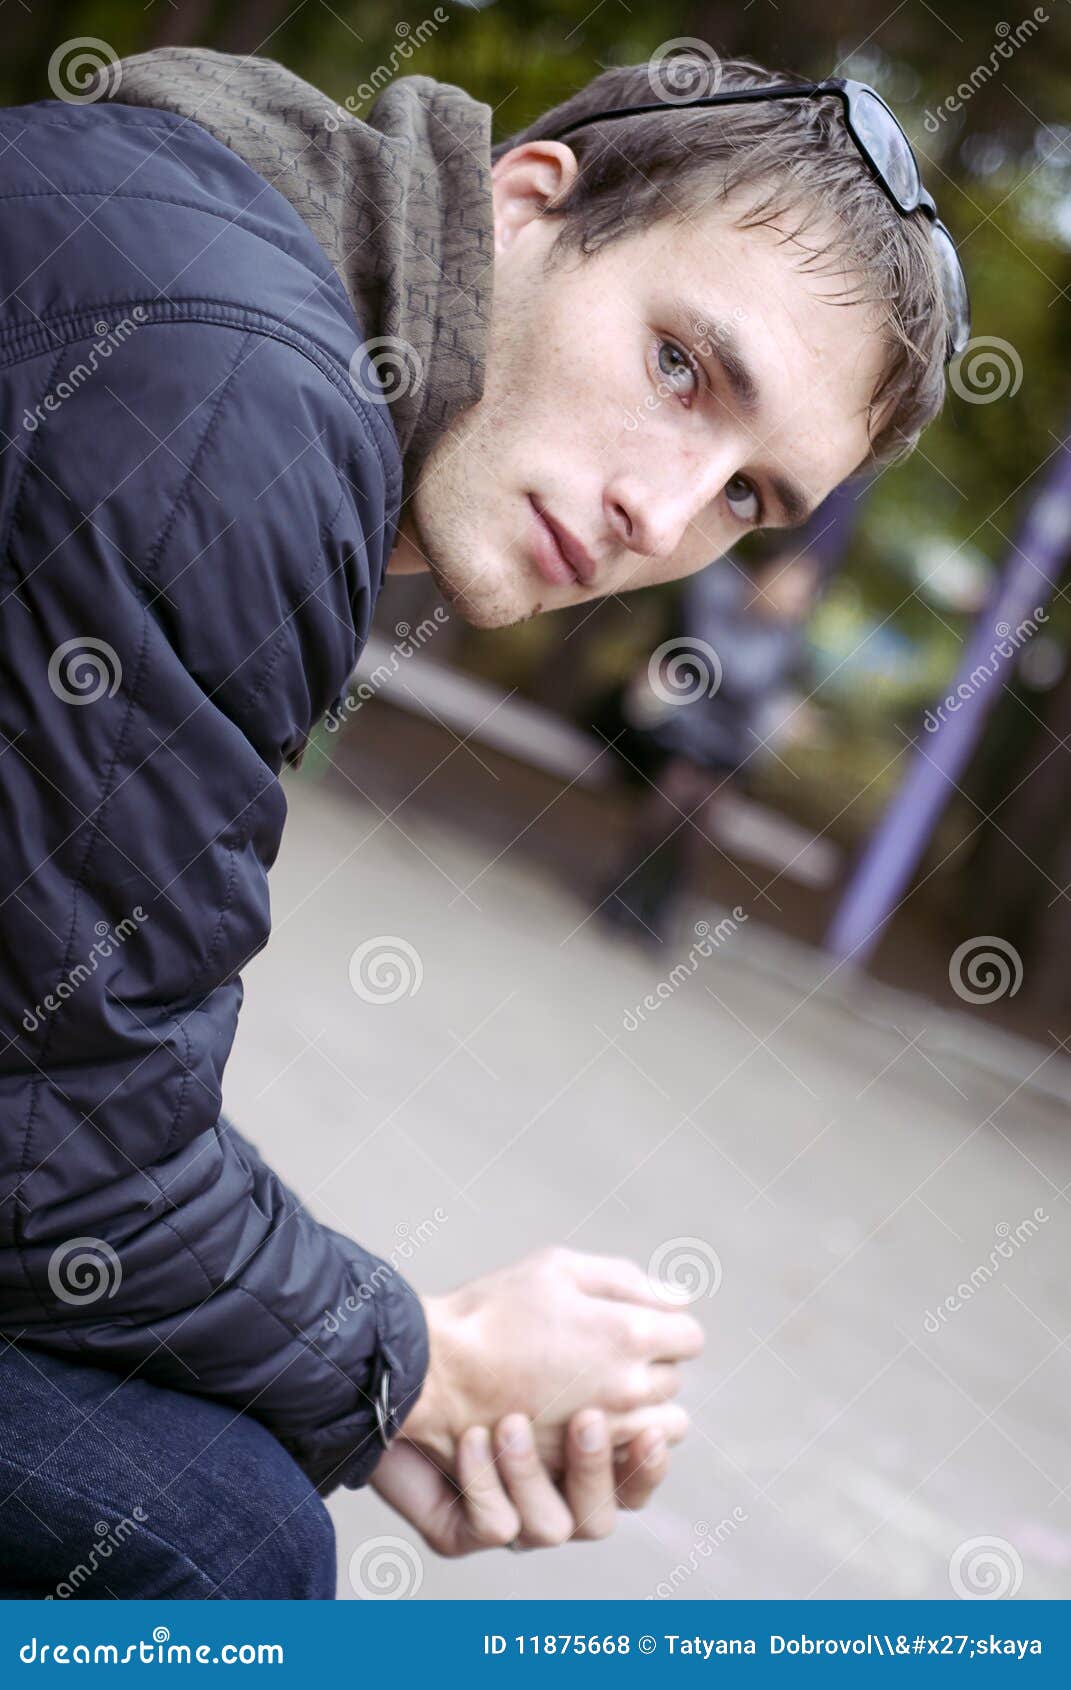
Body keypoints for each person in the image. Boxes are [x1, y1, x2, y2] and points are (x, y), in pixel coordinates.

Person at [0, 40, 965, 1596]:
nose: (665, 511)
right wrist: (419, 1362)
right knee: (215, 1543)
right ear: (527, 204)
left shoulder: (227, 262)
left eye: (746, 497)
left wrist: (356, 1374)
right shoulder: (244, 404)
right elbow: (53, 1155)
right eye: (679, 367)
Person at [596, 544, 821, 944]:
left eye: (800, 594)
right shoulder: (708, 596)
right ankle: (625, 891)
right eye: (787, 584)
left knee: (708, 807)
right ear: (762, 573)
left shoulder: (786, 645)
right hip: (661, 728)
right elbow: (678, 665)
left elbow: (762, 707)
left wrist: (786, 720)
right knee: (678, 786)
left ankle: (660, 905)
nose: (791, 598)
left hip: (723, 748)